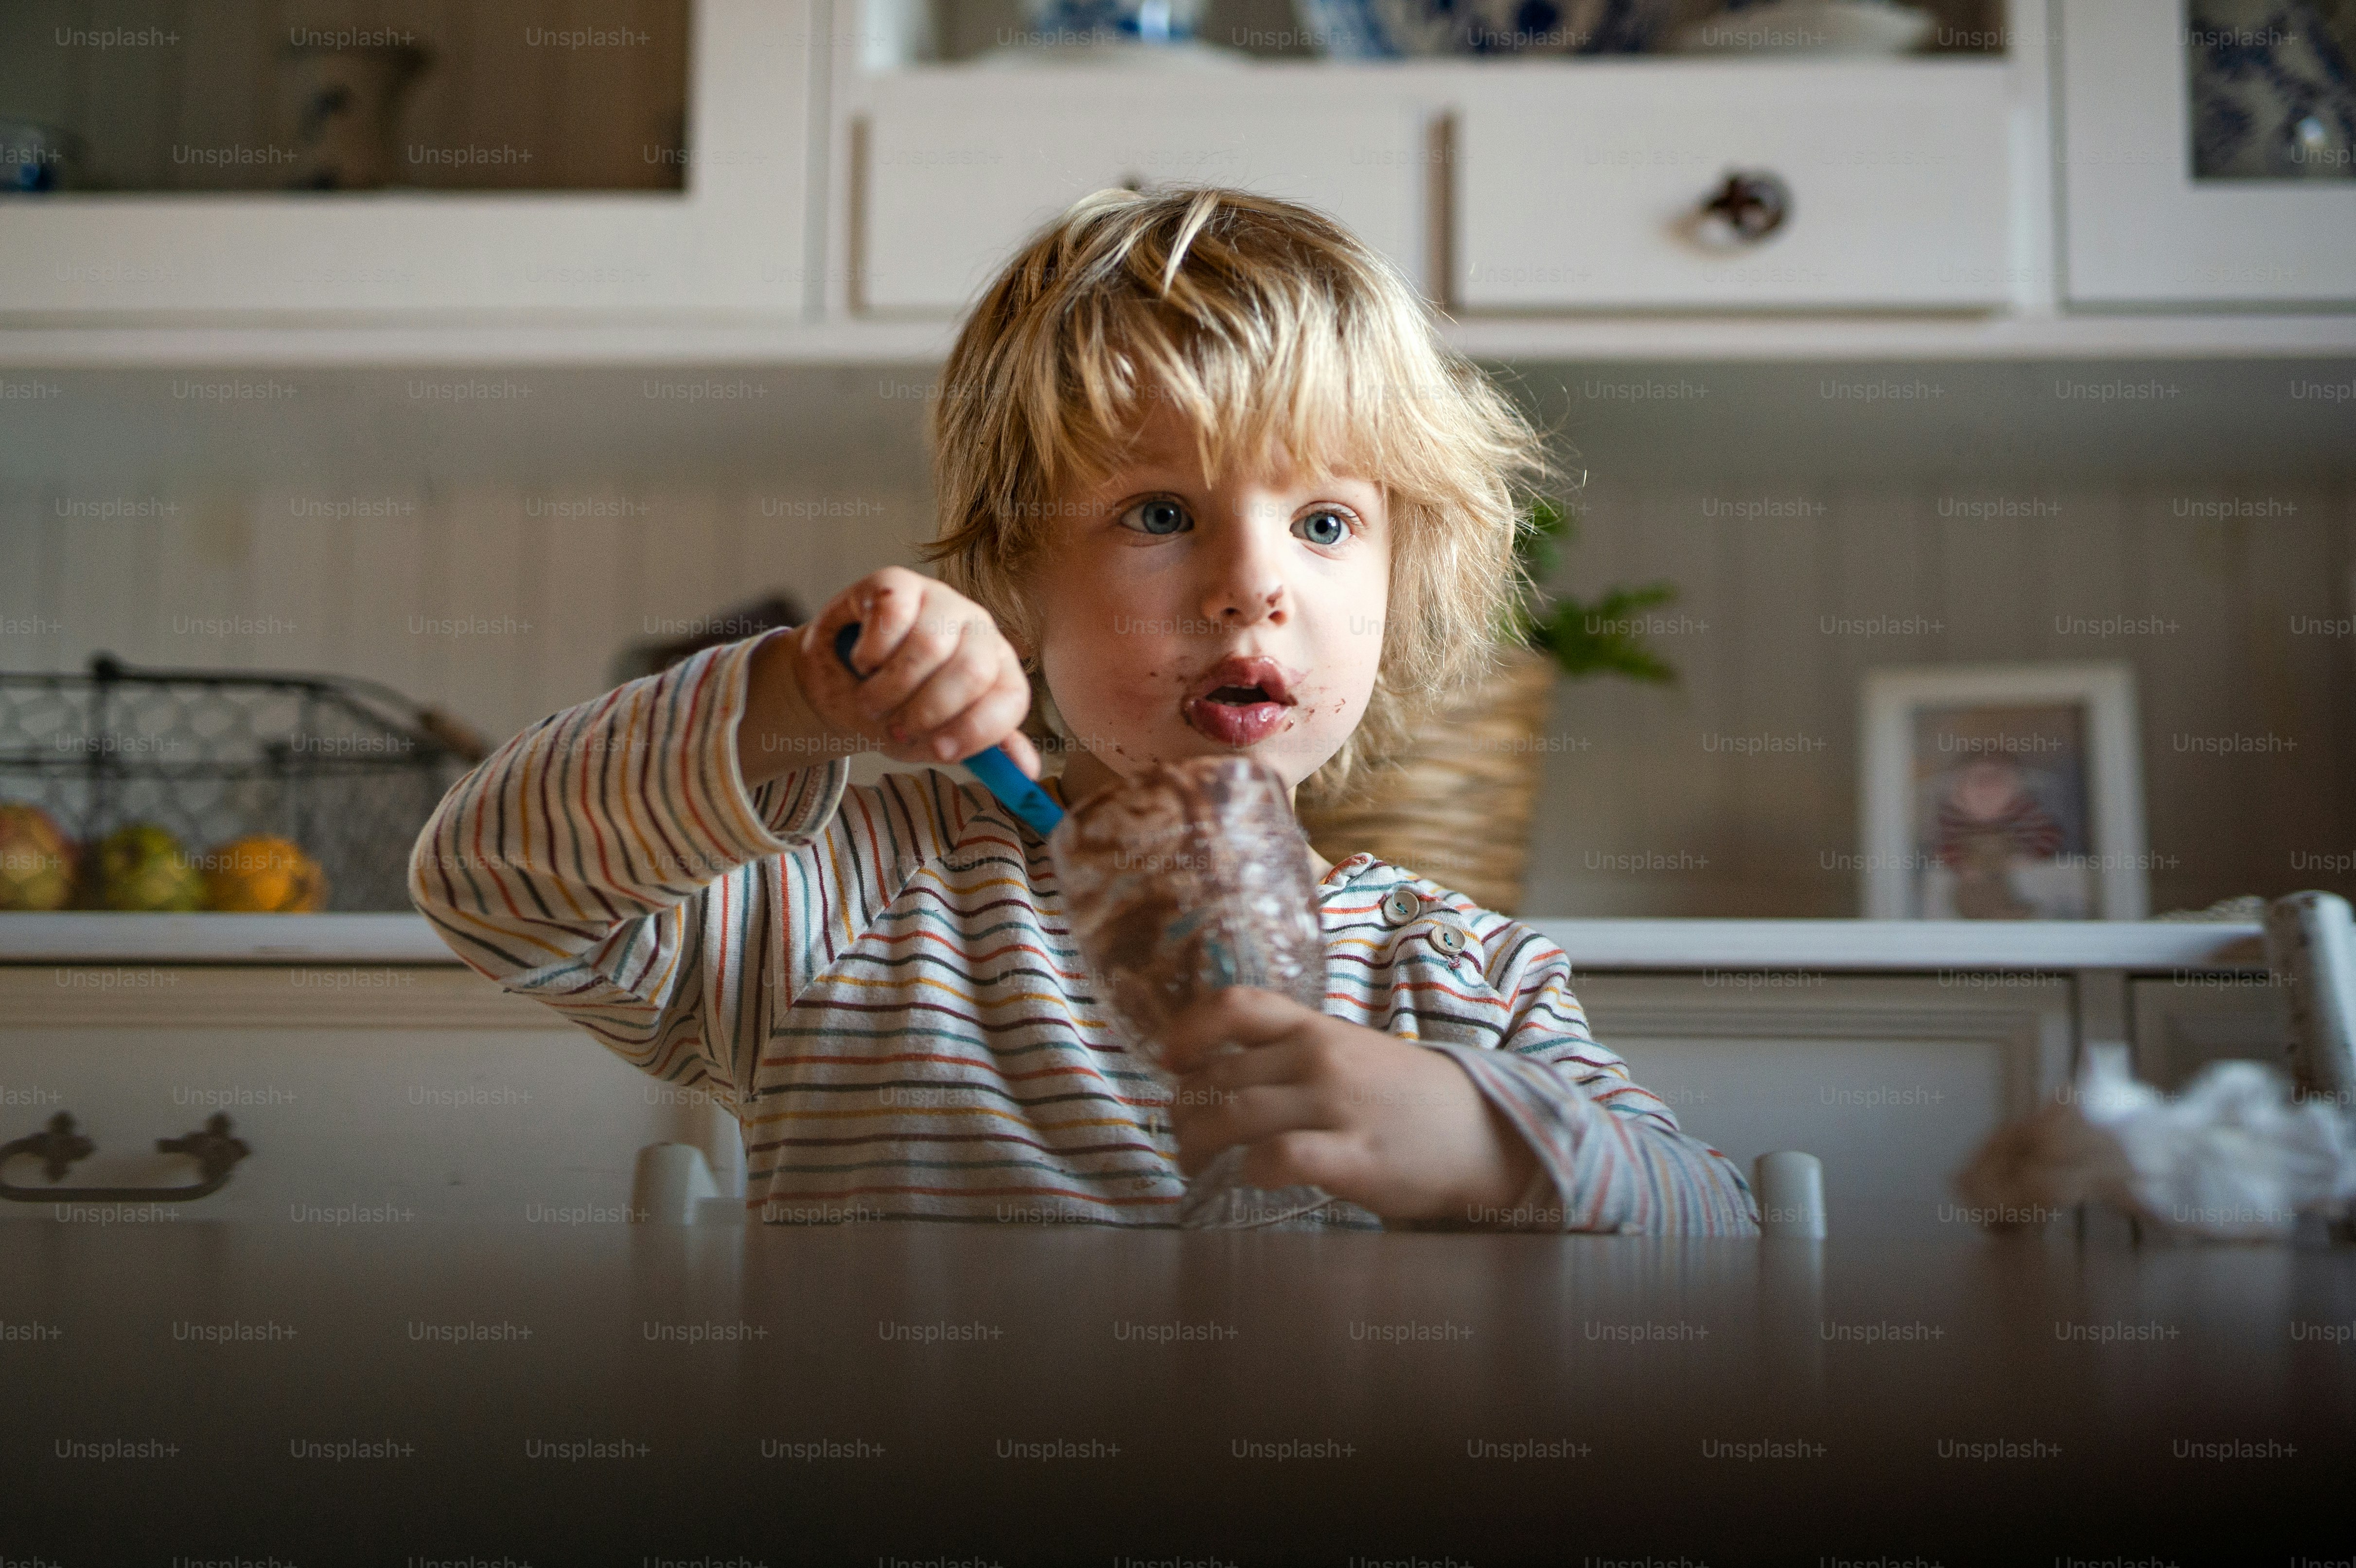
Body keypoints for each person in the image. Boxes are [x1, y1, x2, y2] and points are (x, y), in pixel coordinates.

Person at [408, 187, 1757, 1234]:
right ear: (1016, 580)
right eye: (1160, 514)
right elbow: (494, 882)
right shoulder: (858, 905)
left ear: (1404, 588)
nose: (1250, 589)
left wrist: (1490, 1146)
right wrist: (794, 702)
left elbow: (1720, 1238)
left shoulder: (1461, 978)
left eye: (1328, 520)